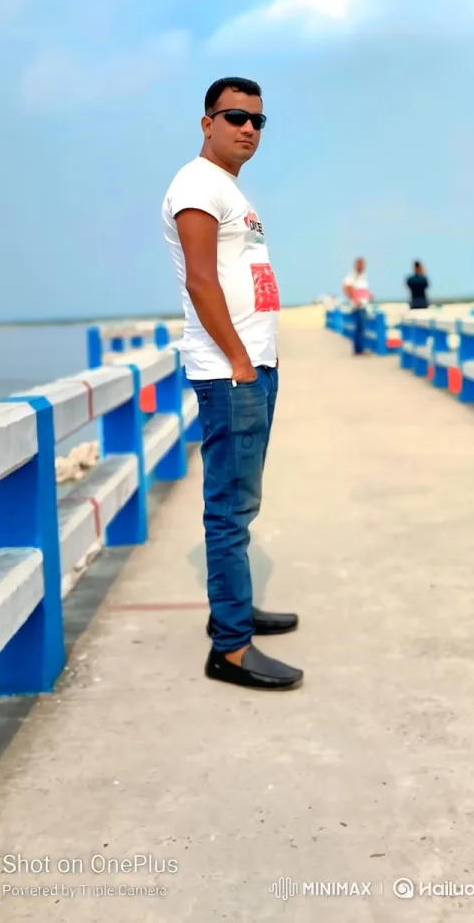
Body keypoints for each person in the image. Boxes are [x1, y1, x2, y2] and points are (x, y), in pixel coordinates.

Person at [162, 77, 303, 692]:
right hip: (231, 374)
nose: (248, 128)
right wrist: (242, 362)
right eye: (235, 116)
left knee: (242, 503)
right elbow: (200, 281)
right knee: (229, 509)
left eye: (257, 121)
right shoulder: (196, 183)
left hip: (252, 367)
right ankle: (232, 649)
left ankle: (235, 610)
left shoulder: (228, 188)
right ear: (207, 123)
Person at [342, 257, 372, 355]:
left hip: (364, 305)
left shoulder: (363, 276)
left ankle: (360, 349)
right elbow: (346, 288)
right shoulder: (351, 276)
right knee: (359, 328)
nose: (362, 267)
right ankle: (358, 350)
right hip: (356, 306)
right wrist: (355, 300)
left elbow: (362, 290)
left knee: (362, 328)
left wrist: (369, 295)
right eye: (360, 264)